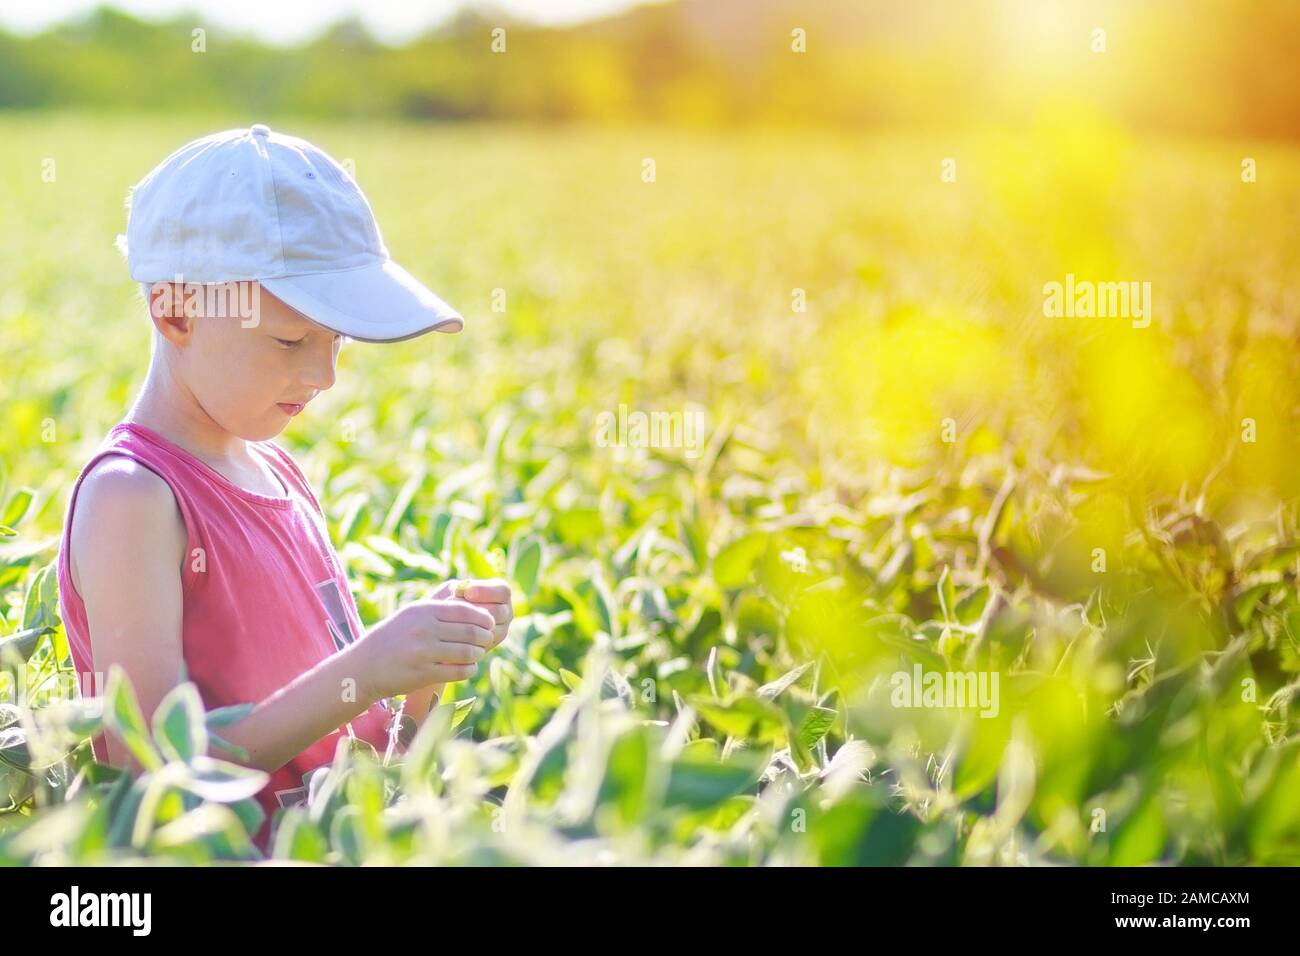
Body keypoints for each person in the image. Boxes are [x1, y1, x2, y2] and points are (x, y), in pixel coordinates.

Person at [54, 123, 513, 854]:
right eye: (290, 341)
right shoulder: (134, 499)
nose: (324, 375)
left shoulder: (280, 473)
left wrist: (420, 676)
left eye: (337, 342)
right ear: (175, 311)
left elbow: (350, 760)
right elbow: (154, 775)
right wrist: (366, 670)